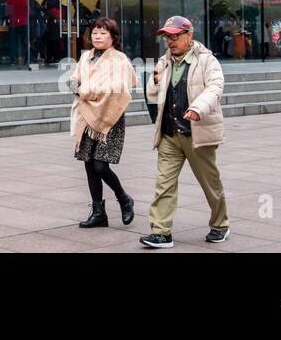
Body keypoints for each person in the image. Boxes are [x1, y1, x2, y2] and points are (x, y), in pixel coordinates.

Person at [141, 16, 229, 249]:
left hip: (197, 134)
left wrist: (198, 108)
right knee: (164, 184)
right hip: (170, 133)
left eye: (175, 36)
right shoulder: (164, 61)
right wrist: (156, 79)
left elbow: (215, 87)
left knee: (210, 183)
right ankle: (161, 232)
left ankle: (220, 224)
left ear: (189, 35)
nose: (170, 41)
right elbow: (152, 94)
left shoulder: (206, 60)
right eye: (167, 37)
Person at [69, 18, 137, 228]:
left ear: (113, 37)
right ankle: (98, 212)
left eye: (103, 33)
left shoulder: (120, 60)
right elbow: (73, 79)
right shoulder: (86, 57)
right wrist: (77, 86)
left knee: (100, 165)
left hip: (110, 118)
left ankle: (124, 198)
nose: (97, 37)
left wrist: (83, 90)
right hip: (86, 117)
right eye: (95, 33)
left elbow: (116, 89)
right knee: (89, 165)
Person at [5, 0, 30, 68]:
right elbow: (28, 12)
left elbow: (8, 13)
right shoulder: (25, 0)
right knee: (25, 42)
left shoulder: (9, 1)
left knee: (13, 43)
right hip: (24, 23)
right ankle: (26, 59)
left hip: (13, 23)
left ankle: (13, 60)